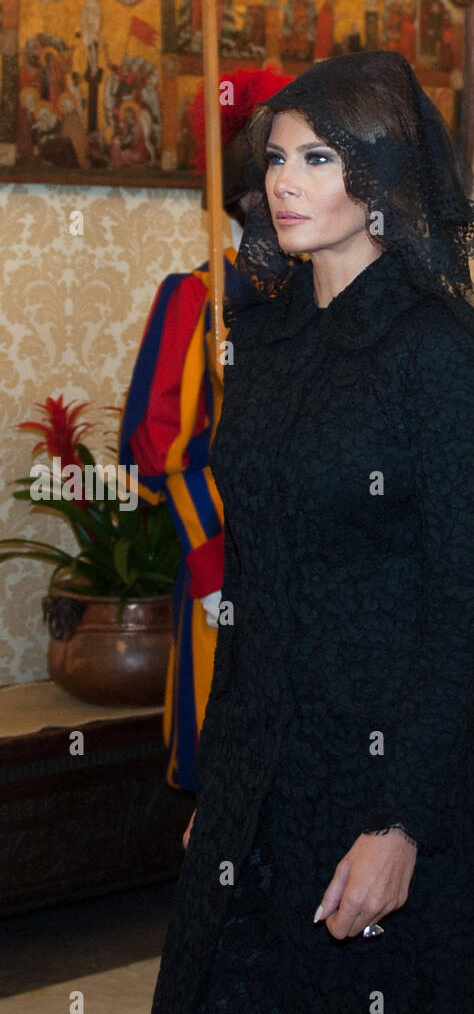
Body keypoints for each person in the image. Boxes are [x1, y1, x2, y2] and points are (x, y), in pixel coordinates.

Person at [103, 51, 474, 1014]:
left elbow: (459, 604)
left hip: (385, 781)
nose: (282, 182)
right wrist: (228, 776)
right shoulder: (266, 327)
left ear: (382, 174)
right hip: (267, 770)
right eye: (275, 159)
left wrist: (399, 822)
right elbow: (258, 578)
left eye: (316, 158)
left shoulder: (436, 349)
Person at [120, 67, 290, 792]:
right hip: (234, 572)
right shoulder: (199, 298)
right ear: (244, 195)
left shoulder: (339, 296)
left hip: (327, 581)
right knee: (236, 778)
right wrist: (215, 566)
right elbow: (165, 445)